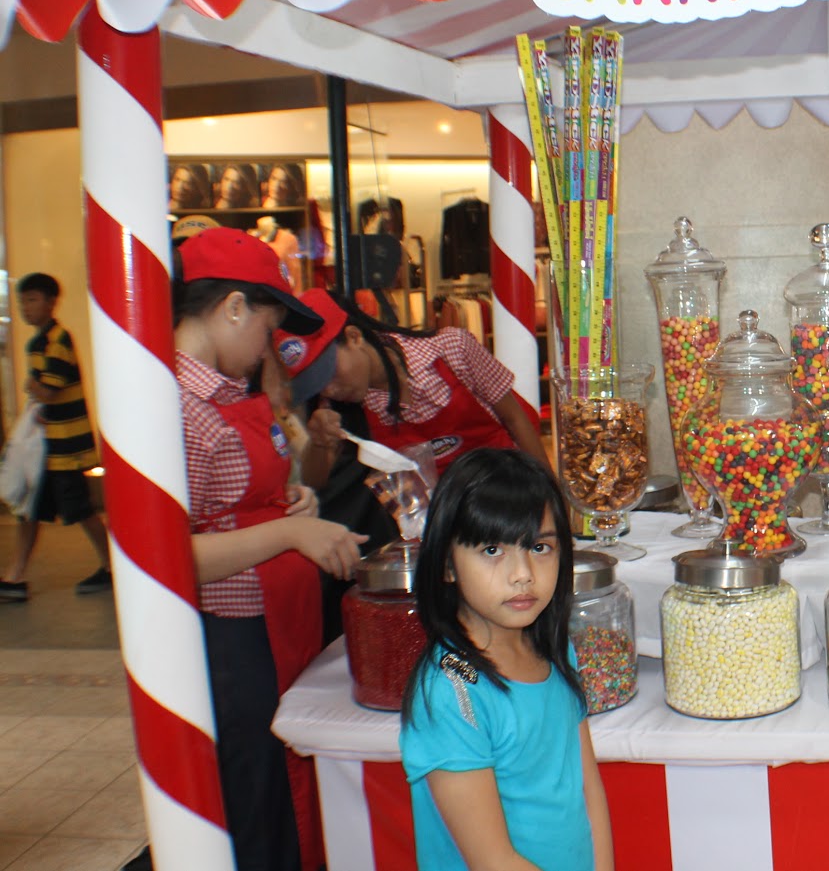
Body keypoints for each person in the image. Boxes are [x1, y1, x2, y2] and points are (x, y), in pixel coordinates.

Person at [174, 227, 367, 871]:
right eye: (267, 326)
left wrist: (297, 504)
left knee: (288, 787)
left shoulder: (235, 394)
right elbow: (170, 556)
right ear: (232, 306)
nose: (270, 347)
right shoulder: (176, 405)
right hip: (234, 638)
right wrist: (288, 533)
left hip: (277, 622)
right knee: (256, 794)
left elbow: (244, 503)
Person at [401, 448, 613, 871]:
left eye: (539, 547)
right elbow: (493, 860)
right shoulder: (452, 690)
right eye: (493, 550)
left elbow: (589, 789)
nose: (523, 574)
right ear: (446, 564)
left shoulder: (554, 649)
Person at [276, 289, 550, 491]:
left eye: (330, 373)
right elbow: (314, 482)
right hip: (439, 531)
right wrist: (321, 441)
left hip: (509, 498)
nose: (330, 390)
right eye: (317, 384)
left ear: (354, 337)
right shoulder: (343, 408)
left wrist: (549, 491)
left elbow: (515, 419)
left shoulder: (452, 349)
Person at [0, 274, 111, 601]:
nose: (26, 308)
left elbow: (47, 390)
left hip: (66, 446)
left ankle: (111, 566)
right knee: (30, 510)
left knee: (79, 510)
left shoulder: (58, 339)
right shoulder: (37, 343)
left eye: (33, 300)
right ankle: (14, 576)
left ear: (51, 303)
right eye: (23, 301)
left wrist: (31, 386)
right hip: (47, 448)